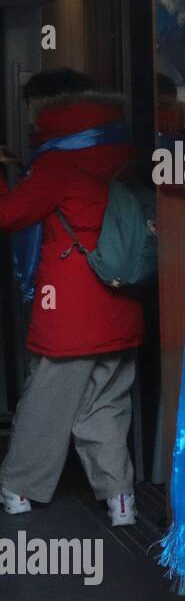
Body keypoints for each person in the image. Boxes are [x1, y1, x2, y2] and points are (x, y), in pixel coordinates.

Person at [0, 68, 144, 527]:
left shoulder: (57, 163)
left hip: (70, 312)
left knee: (46, 402)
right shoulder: (124, 150)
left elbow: (10, 215)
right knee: (106, 404)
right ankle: (120, 498)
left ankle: (19, 488)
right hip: (121, 301)